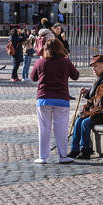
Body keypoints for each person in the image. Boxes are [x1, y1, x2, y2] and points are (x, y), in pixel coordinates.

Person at [32, 35, 77, 164]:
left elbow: (33, 77)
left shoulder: (40, 62)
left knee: (44, 128)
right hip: (61, 99)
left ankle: (43, 157)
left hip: (43, 98)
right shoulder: (65, 61)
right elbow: (76, 76)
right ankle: (63, 156)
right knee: (61, 129)